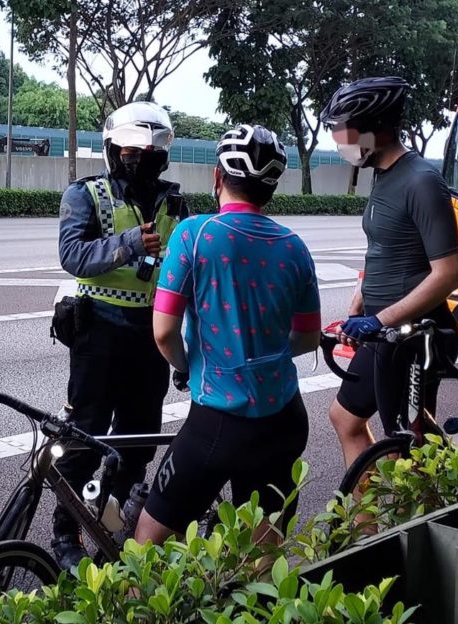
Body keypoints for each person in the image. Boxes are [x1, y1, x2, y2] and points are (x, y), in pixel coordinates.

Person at [135, 124, 320, 545]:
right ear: (271, 189)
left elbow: (164, 333)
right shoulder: (295, 247)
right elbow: (308, 338)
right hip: (284, 420)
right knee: (263, 555)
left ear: (217, 177)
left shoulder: (194, 234)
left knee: (147, 543)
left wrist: (186, 366)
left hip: (218, 422)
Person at [53, 101, 189, 569]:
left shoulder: (174, 202)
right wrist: (130, 243)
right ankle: (65, 533)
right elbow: (72, 255)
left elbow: (185, 274)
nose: (139, 160)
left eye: (149, 152)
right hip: (99, 331)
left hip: (152, 335)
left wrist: (184, 349)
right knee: (84, 436)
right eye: (130, 151)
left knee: (139, 440)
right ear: (113, 150)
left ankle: (116, 523)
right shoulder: (86, 194)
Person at [320, 77, 458, 471]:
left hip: (416, 337)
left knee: (410, 452)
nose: (340, 141)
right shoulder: (383, 174)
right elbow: (385, 244)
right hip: (384, 333)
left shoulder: (421, 181)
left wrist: (379, 319)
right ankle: (367, 511)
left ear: (378, 127)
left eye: (346, 131)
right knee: (345, 418)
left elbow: (449, 274)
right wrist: (361, 296)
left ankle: (441, 509)